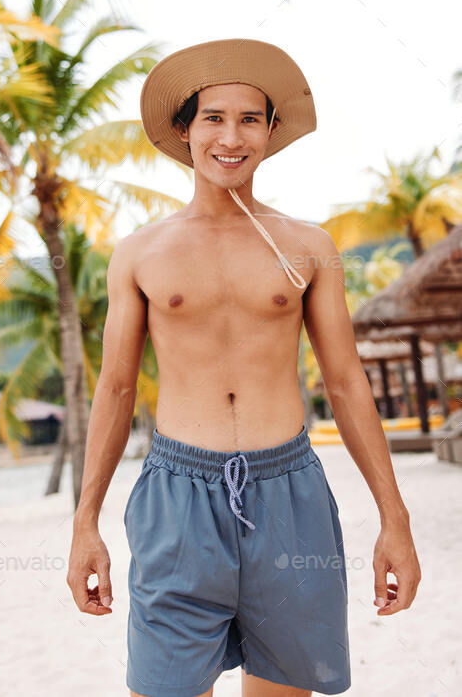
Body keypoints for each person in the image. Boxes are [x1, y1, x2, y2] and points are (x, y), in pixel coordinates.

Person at [67, 39, 422, 697]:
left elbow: (345, 381)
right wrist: (85, 522)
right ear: (185, 129)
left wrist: (393, 518)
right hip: (177, 495)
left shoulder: (310, 247)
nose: (231, 136)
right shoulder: (140, 253)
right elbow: (115, 387)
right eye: (213, 118)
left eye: (249, 119)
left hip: (289, 492)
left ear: (270, 130)